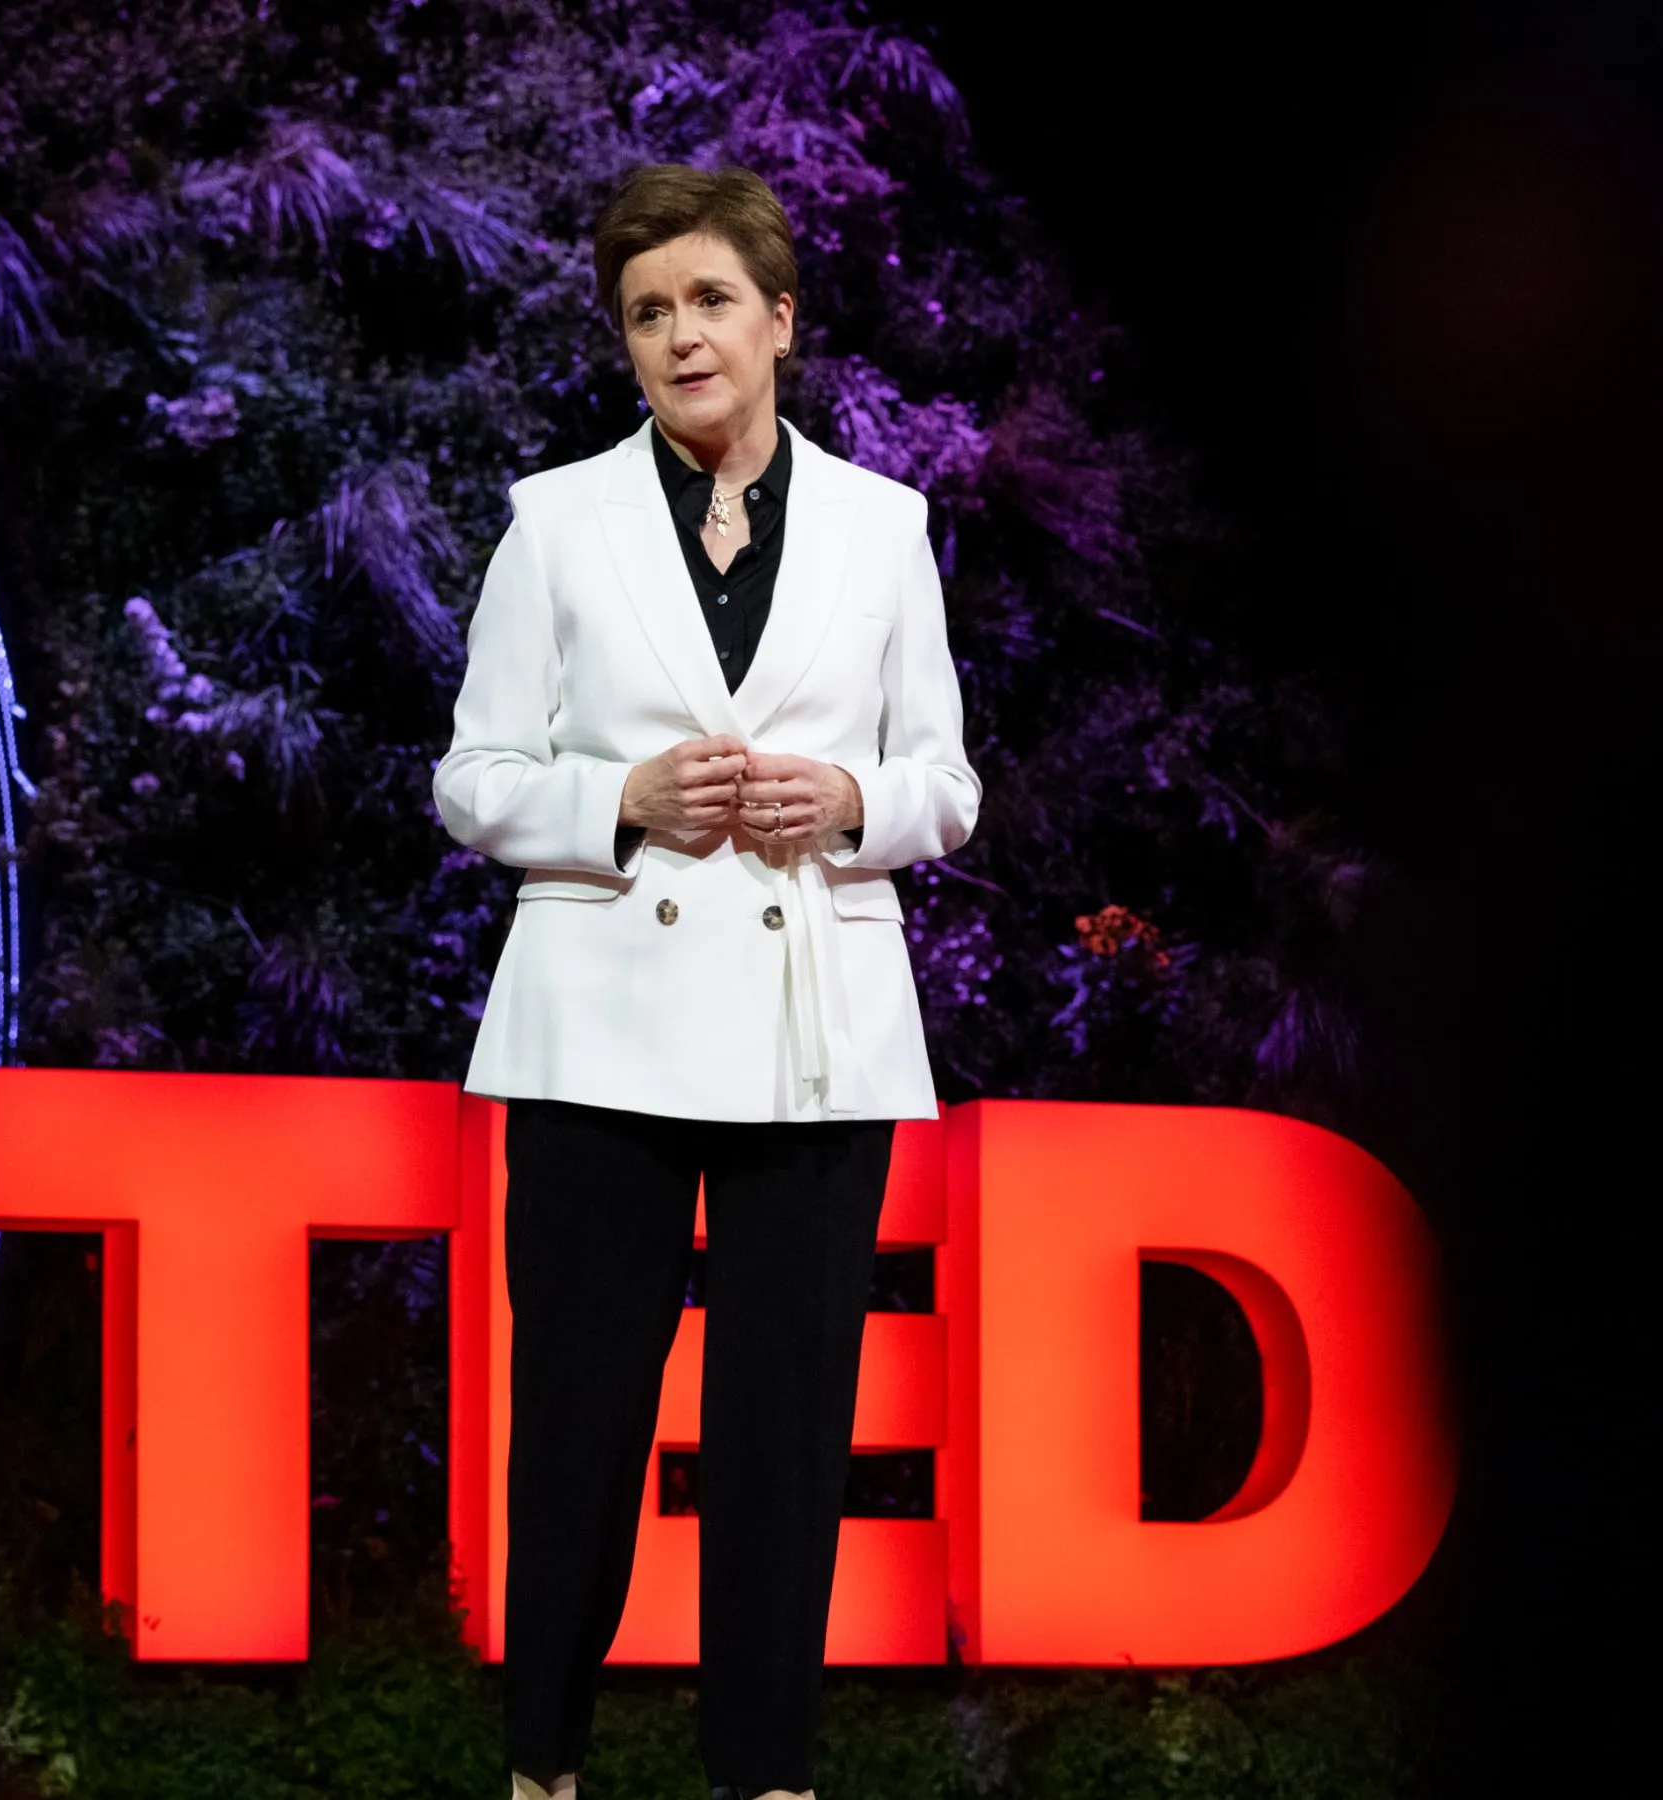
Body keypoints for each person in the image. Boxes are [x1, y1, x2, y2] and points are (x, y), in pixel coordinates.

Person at [434, 163, 980, 1800]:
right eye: (649, 313)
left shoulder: (887, 530)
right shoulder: (558, 523)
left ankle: (767, 1775)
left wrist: (860, 806)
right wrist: (618, 800)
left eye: (710, 301)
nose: (681, 336)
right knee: (583, 1419)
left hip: (816, 1035)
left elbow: (945, 781)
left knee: (786, 1430)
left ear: (780, 321)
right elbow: (474, 777)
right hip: (598, 1023)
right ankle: (544, 1767)